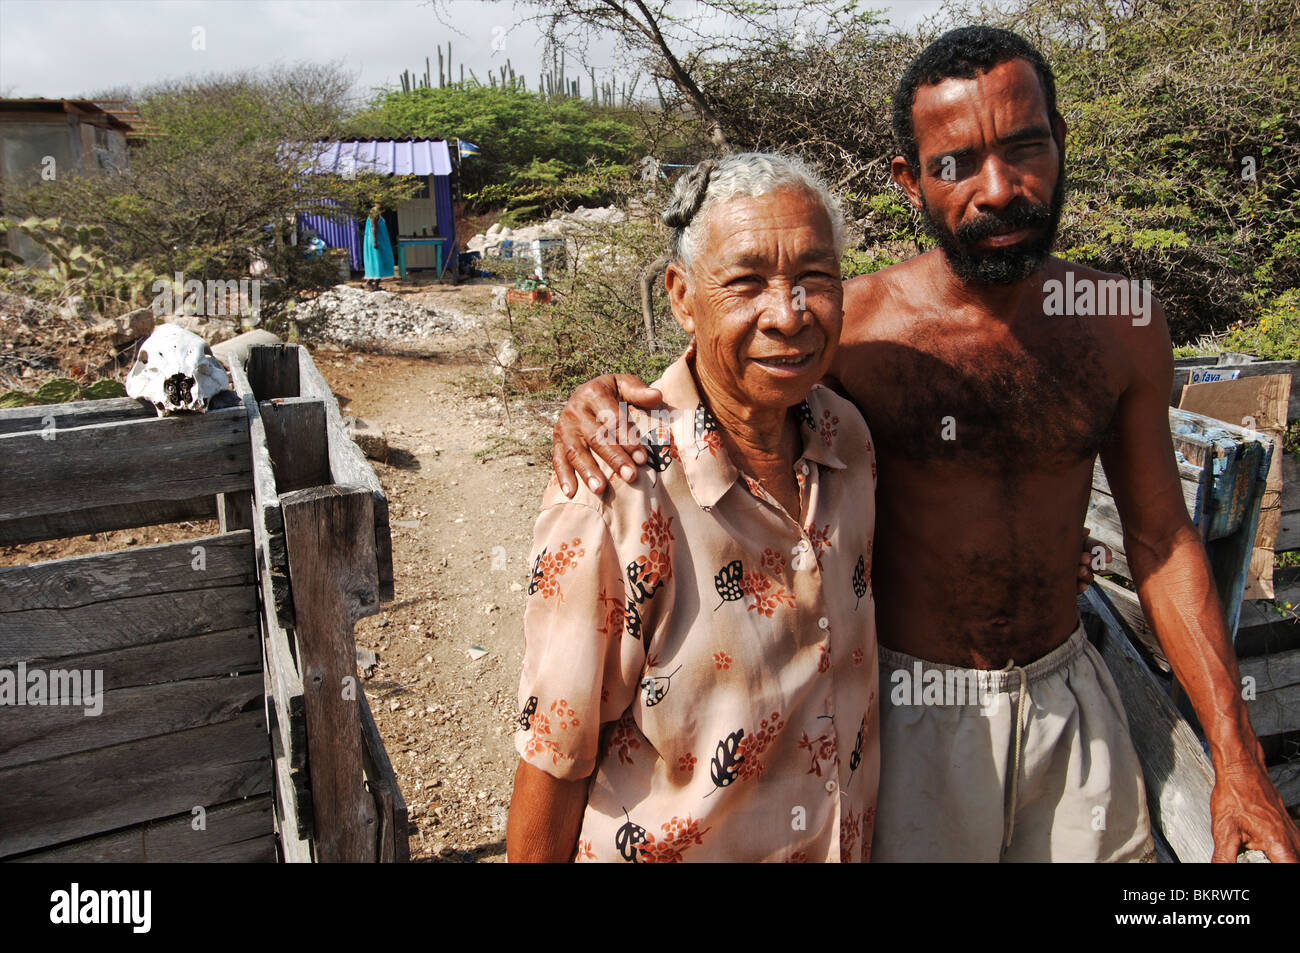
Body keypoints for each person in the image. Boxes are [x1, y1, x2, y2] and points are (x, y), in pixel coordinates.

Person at [549, 26, 1300, 862]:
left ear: (1061, 145)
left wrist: (1238, 757)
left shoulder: (1121, 324)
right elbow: (719, 383)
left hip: (1070, 693)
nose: (998, 188)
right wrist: (598, 400)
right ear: (909, 180)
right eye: (956, 163)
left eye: (1025, 148)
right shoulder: (852, 334)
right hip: (906, 715)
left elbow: (1162, 538)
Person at [507, 153, 880, 862]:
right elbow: (555, 754)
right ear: (682, 297)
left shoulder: (851, 444)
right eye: (746, 283)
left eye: (815, 278)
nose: (788, 313)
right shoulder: (619, 480)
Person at [363, 204, 394, 290]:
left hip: (381, 241)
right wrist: (375, 241)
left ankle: (375, 284)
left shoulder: (378, 213)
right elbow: (373, 227)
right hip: (376, 241)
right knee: (377, 261)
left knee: (381, 261)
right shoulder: (374, 213)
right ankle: (370, 283)